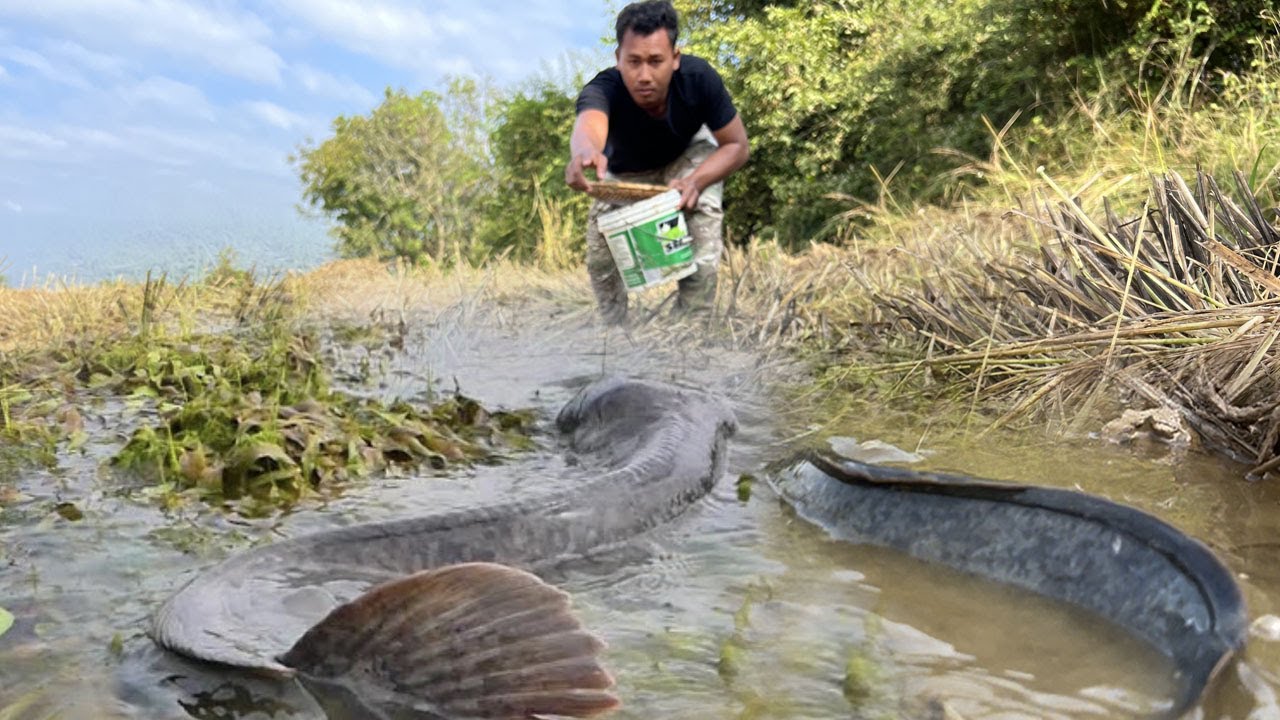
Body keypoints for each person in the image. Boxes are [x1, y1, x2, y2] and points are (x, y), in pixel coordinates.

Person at [565, 0, 750, 326]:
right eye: (633, 62)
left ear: (675, 58)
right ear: (618, 59)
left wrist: (696, 181)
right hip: (626, 175)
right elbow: (589, 123)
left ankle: (692, 325)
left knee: (703, 202)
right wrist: (584, 152)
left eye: (656, 61)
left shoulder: (699, 79)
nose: (645, 75)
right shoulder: (603, 88)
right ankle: (615, 333)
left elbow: (736, 145)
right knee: (598, 251)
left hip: (685, 160)